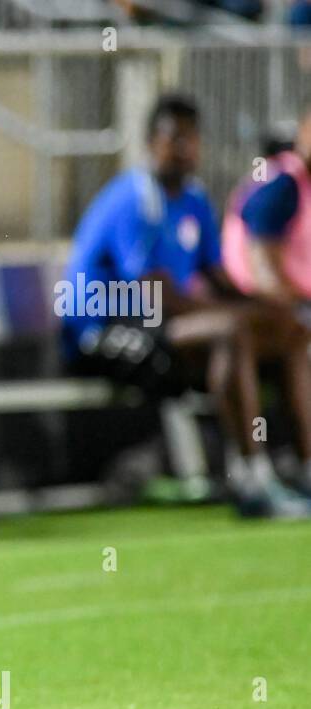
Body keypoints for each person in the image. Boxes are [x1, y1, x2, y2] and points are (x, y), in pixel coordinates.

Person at [61, 93, 311, 518]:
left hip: (159, 330)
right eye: (173, 138)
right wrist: (238, 317)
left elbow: (217, 278)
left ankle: (306, 470)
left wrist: (268, 312)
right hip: (104, 333)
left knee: (291, 333)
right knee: (233, 332)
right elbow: (152, 295)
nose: (184, 149)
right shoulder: (135, 198)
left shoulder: (193, 198)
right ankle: (252, 480)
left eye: (191, 139)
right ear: (149, 143)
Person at [221, 109, 311, 496]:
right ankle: (268, 473)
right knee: (300, 336)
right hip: (255, 310)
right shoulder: (283, 184)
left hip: (275, 312)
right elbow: (261, 273)